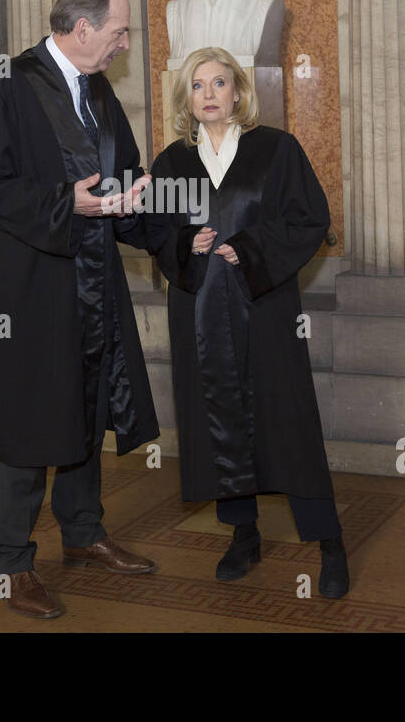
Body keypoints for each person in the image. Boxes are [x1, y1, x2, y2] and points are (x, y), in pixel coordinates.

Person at [0, 0, 160, 620]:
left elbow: (121, 177)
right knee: (29, 420)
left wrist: (139, 203)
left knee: (85, 406)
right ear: (81, 30)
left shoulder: (98, 90)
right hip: (31, 290)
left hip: (93, 282)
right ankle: (13, 564)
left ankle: (82, 533)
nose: (123, 44)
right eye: (118, 32)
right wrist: (61, 201)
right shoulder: (8, 85)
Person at [145, 45, 349, 598]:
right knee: (218, 420)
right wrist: (188, 242)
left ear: (238, 91)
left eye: (218, 83)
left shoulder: (275, 151)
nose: (208, 94)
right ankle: (242, 534)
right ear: (185, 99)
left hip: (264, 311)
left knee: (289, 422)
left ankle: (328, 541)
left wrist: (253, 248)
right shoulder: (172, 163)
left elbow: (311, 219)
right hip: (201, 314)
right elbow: (156, 231)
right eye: (197, 86)